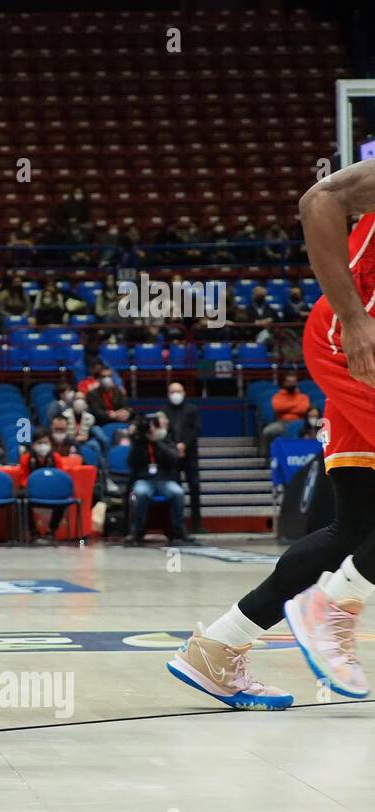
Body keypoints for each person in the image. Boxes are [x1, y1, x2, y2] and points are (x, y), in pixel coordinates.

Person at [168, 157, 375, 709]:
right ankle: (333, 606)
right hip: (353, 338)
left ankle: (219, 644)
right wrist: (354, 319)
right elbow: (319, 201)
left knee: (353, 529)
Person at [124, 412, 194, 546]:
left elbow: (174, 459)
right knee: (141, 493)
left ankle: (178, 530)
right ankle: (137, 531)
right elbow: (131, 463)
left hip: (165, 480)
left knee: (178, 493)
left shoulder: (166, 438)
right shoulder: (139, 441)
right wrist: (136, 440)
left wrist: (157, 442)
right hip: (144, 479)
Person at [17, 428, 70, 542]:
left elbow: (61, 477)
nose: (43, 446)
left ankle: (51, 531)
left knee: (63, 497)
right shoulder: (26, 458)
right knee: (20, 498)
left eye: (45, 443)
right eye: (39, 443)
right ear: (33, 445)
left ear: (50, 444)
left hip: (52, 491)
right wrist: (35, 487)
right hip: (32, 492)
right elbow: (23, 478)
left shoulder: (55, 458)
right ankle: (34, 533)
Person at [163, 382, 202, 532]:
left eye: (178, 391)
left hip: (190, 454)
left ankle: (197, 524)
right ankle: (177, 525)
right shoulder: (164, 411)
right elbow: (163, 433)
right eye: (172, 391)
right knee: (175, 490)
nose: (176, 394)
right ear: (168, 394)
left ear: (184, 392)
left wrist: (184, 445)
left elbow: (196, 430)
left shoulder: (192, 409)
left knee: (194, 487)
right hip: (172, 456)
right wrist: (174, 446)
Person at [260, 372, 309, 448]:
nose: (291, 384)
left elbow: (303, 409)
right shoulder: (278, 396)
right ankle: (265, 457)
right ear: (284, 383)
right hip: (282, 423)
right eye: (289, 382)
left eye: (293, 382)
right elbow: (278, 407)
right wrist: (295, 404)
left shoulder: (303, 397)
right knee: (267, 431)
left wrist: (286, 407)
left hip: (300, 423)